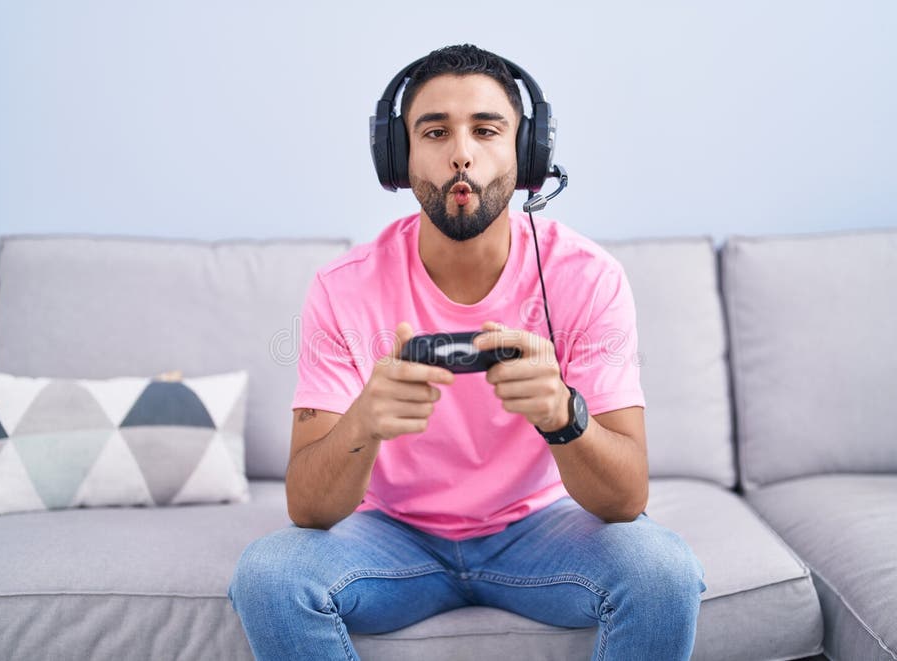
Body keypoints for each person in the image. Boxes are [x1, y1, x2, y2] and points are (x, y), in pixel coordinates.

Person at [228, 44, 706, 660]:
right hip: (390, 536)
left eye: (486, 129)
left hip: (538, 531)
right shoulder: (342, 287)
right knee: (269, 576)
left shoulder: (588, 278)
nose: (461, 152)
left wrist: (564, 416)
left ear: (526, 153)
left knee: (662, 571)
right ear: (398, 157)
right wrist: (364, 423)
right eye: (434, 131)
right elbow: (309, 509)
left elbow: (626, 500)